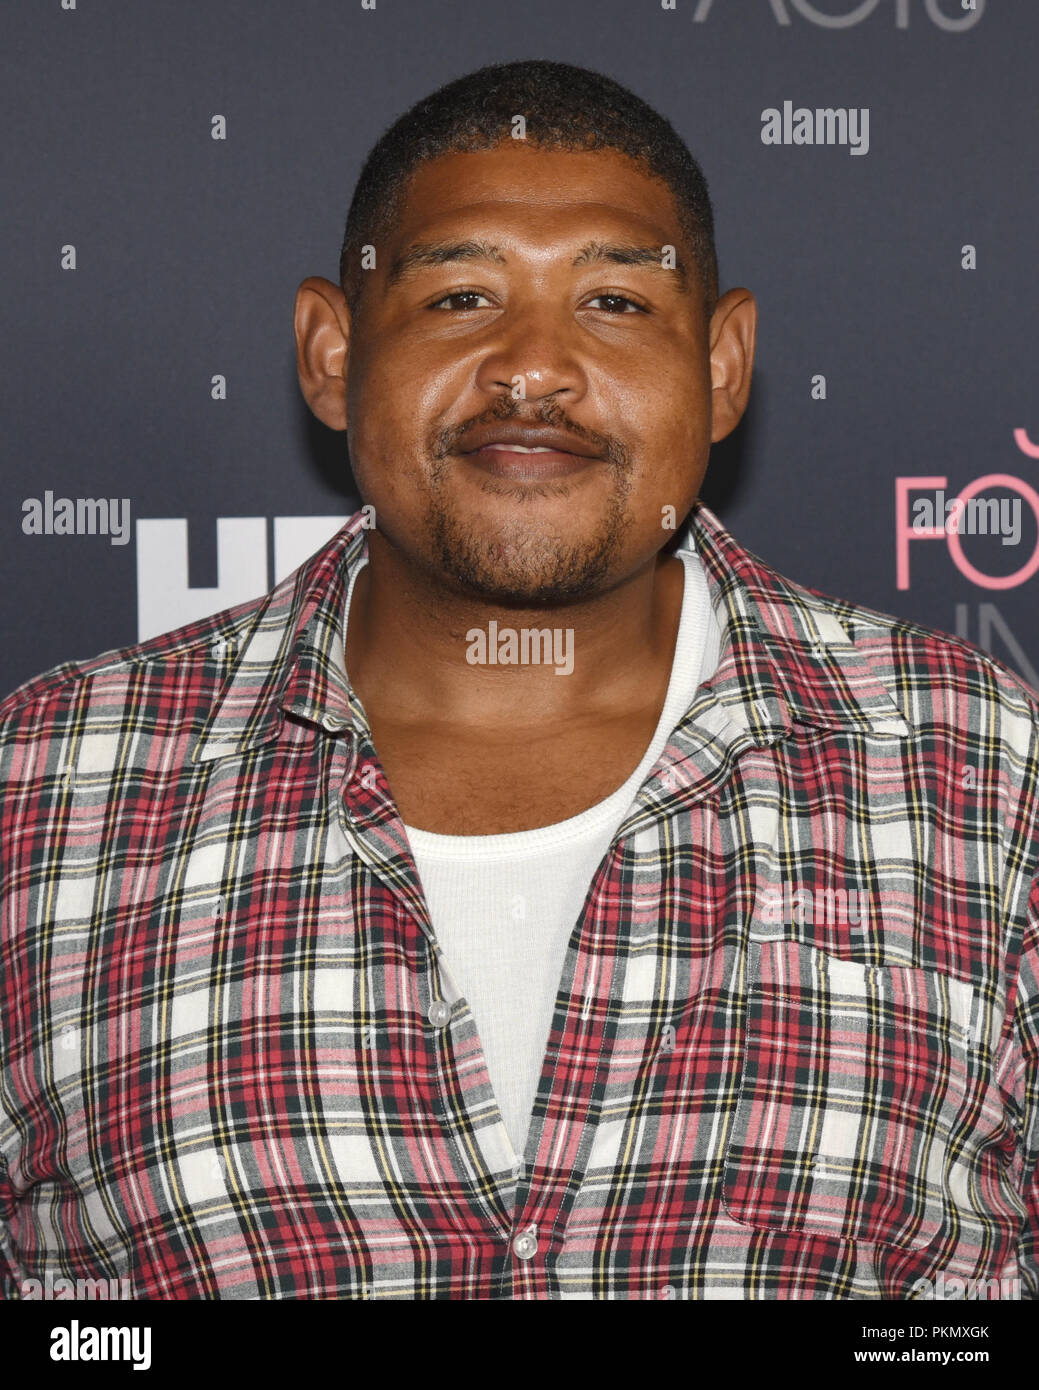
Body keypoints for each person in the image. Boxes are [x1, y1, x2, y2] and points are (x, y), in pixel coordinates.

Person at [1, 58, 1036, 1302]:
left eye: (611, 300)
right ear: (331, 353)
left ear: (720, 366)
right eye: (458, 297)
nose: (532, 369)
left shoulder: (984, 771)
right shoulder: (45, 786)